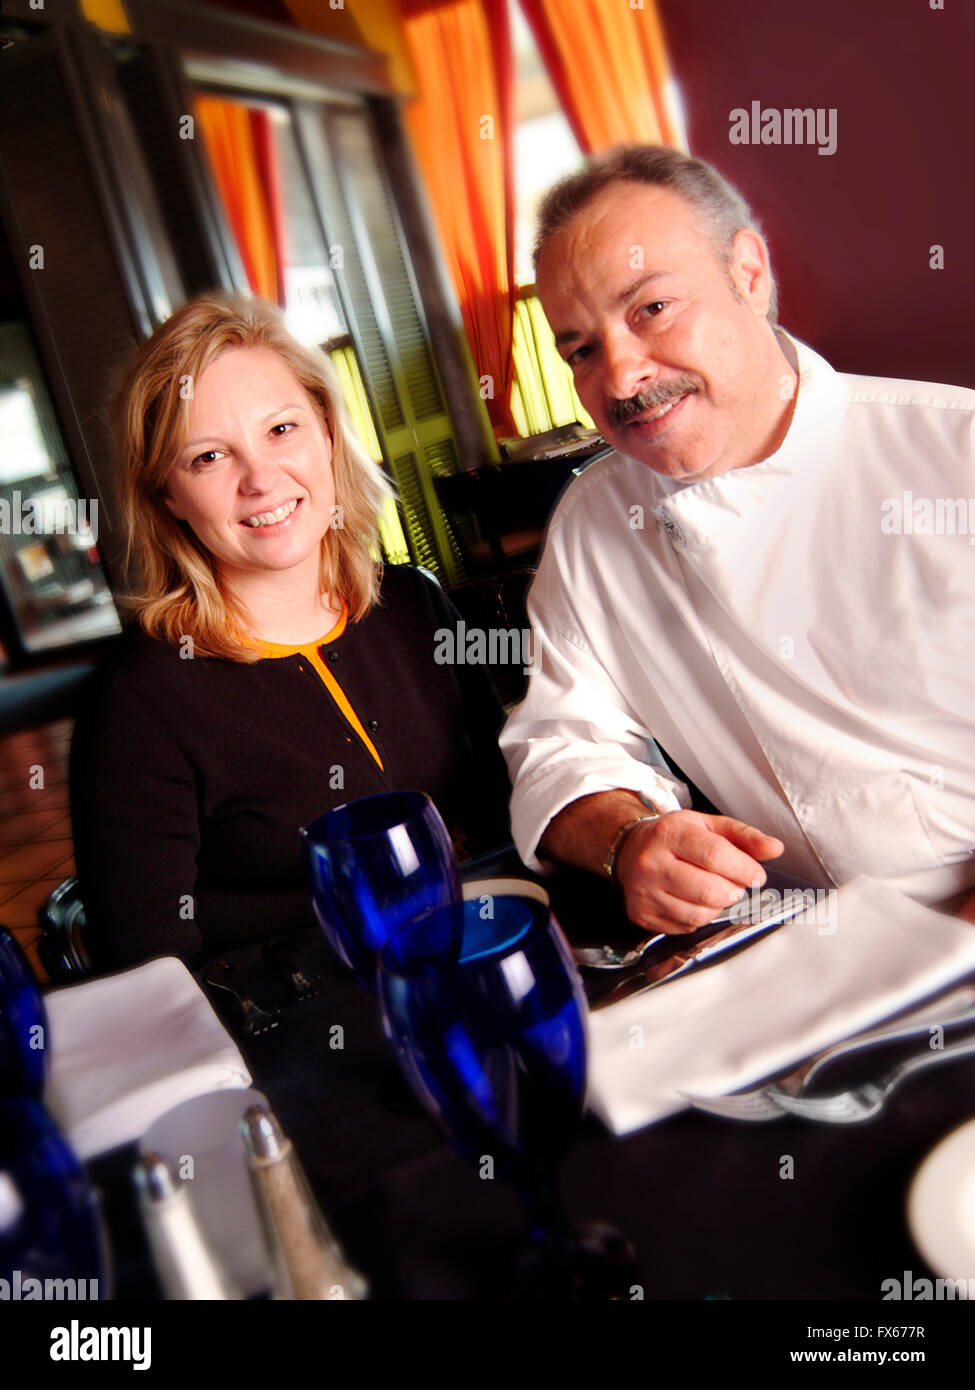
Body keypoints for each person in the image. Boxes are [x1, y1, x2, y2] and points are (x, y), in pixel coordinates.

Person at [500, 145, 975, 935]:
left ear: (746, 274)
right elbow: (558, 742)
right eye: (581, 348)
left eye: (650, 308)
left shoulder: (951, 453)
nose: (618, 377)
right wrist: (629, 840)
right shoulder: (593, 525)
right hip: (801, 945)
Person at [71, 293, 510, 971]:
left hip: (474, 968)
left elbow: (506, 809)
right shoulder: (139, 701)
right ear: (167, 494)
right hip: (293, 1037)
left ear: (329, 433)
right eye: (209, 457)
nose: (260, 479)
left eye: (281, 430)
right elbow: (151, 972)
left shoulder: (414, 604)